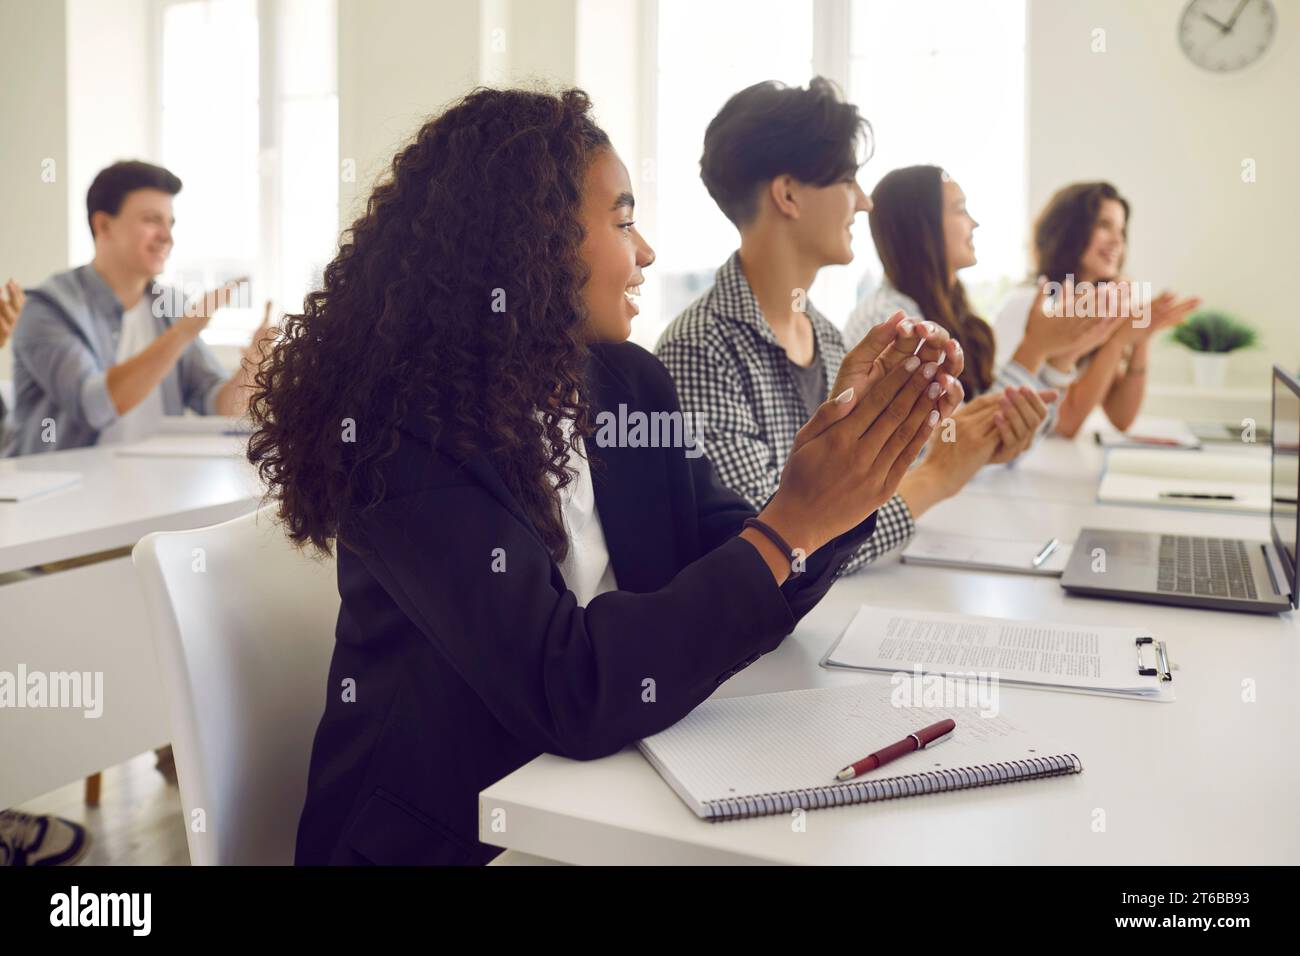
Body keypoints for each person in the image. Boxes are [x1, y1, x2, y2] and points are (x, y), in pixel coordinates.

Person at [247, 87, 964, 865]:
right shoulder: (401, 439)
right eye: (623, 221)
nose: (646, 251)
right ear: (528, 243)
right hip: (454, 840)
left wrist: (850, 460)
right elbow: (570, 688)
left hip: (606, 795)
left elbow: (735, 561)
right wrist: (793, 522)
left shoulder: (624, 383)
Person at [658, 84, 1051, 577]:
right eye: (848, 181)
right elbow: (770, 554)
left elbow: (856, 498)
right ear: (788, 195)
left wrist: (971, 446)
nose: (864, 203)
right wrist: (936, 475)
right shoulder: (700, 349)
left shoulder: (825, 336)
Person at [6, 160, 273, 456]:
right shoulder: (46, 309)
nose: (167, 237)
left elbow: (221, 407)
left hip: (155, 490)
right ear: (103, 225)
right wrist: (182, 334)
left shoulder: (170, 307)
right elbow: (94, 406)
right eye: (151, 220)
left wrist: (252, 370)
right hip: (61, 494)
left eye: (170, 223)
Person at [989, 182, 1200, 437]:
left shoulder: (1095, 306)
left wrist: (1141, 337)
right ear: (1069, 232)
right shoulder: (1032, 303)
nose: (1117, 241)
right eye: (1104, 225)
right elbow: (1066, 422)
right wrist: (1118, 339)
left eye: (1121, 231)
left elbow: (1121, 417)